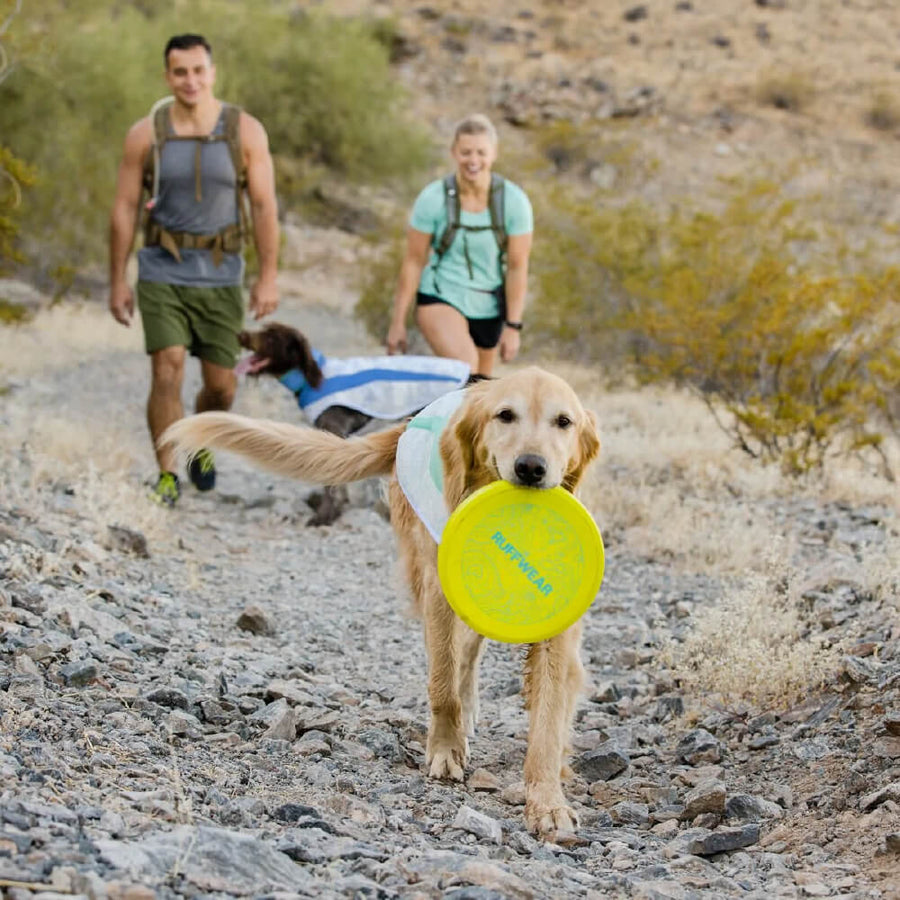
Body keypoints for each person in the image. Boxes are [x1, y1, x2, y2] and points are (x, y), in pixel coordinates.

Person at [108, 33, 279, 506]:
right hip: (163, 269)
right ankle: (167, 475)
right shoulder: (147, 133)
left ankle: (201, 441)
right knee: (168, 368)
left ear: (212, 72)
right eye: (180, 72)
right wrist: (117, 279)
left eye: (198, 71)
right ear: (168, 76)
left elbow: (264, 206)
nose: (190, 81)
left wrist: (268, 276)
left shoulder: (246, 131)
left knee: (221, 386)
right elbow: (124, 208)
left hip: (222, 274)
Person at [385, 114, 533, 379]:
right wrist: (398, 322)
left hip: (488, 305)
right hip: (441, 294)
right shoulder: (433, 199)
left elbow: (517, 266)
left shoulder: (514, 202)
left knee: (481, 394)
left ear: (494, 154)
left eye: (480, 152)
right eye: (465, 152)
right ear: (454, 152)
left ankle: (436, 418)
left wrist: (513, 326)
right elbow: (414, 260)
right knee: (466, 368)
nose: (473, 161)